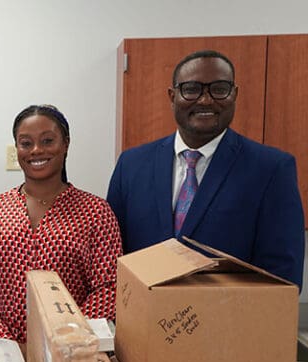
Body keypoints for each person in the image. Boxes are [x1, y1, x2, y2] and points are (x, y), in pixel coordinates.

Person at [107, 50, 305, 289]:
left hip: (231, 321)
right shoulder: (131, 165)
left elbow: (282, 276)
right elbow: (112, 258)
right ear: (172, 96)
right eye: (191, 89)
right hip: (143, 319)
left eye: (219, 88)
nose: (205, 100)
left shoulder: (271, 169)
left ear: (234, 94)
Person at [0, 104, 122, 344]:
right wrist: (6, 343)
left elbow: (109, 287)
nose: (36, 150)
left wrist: (66, 341)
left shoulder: (96, 212)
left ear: (65, 144)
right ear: (17, 148)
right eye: (26, 143)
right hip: (2, 353)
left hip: (72, 354)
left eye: (47, 141)